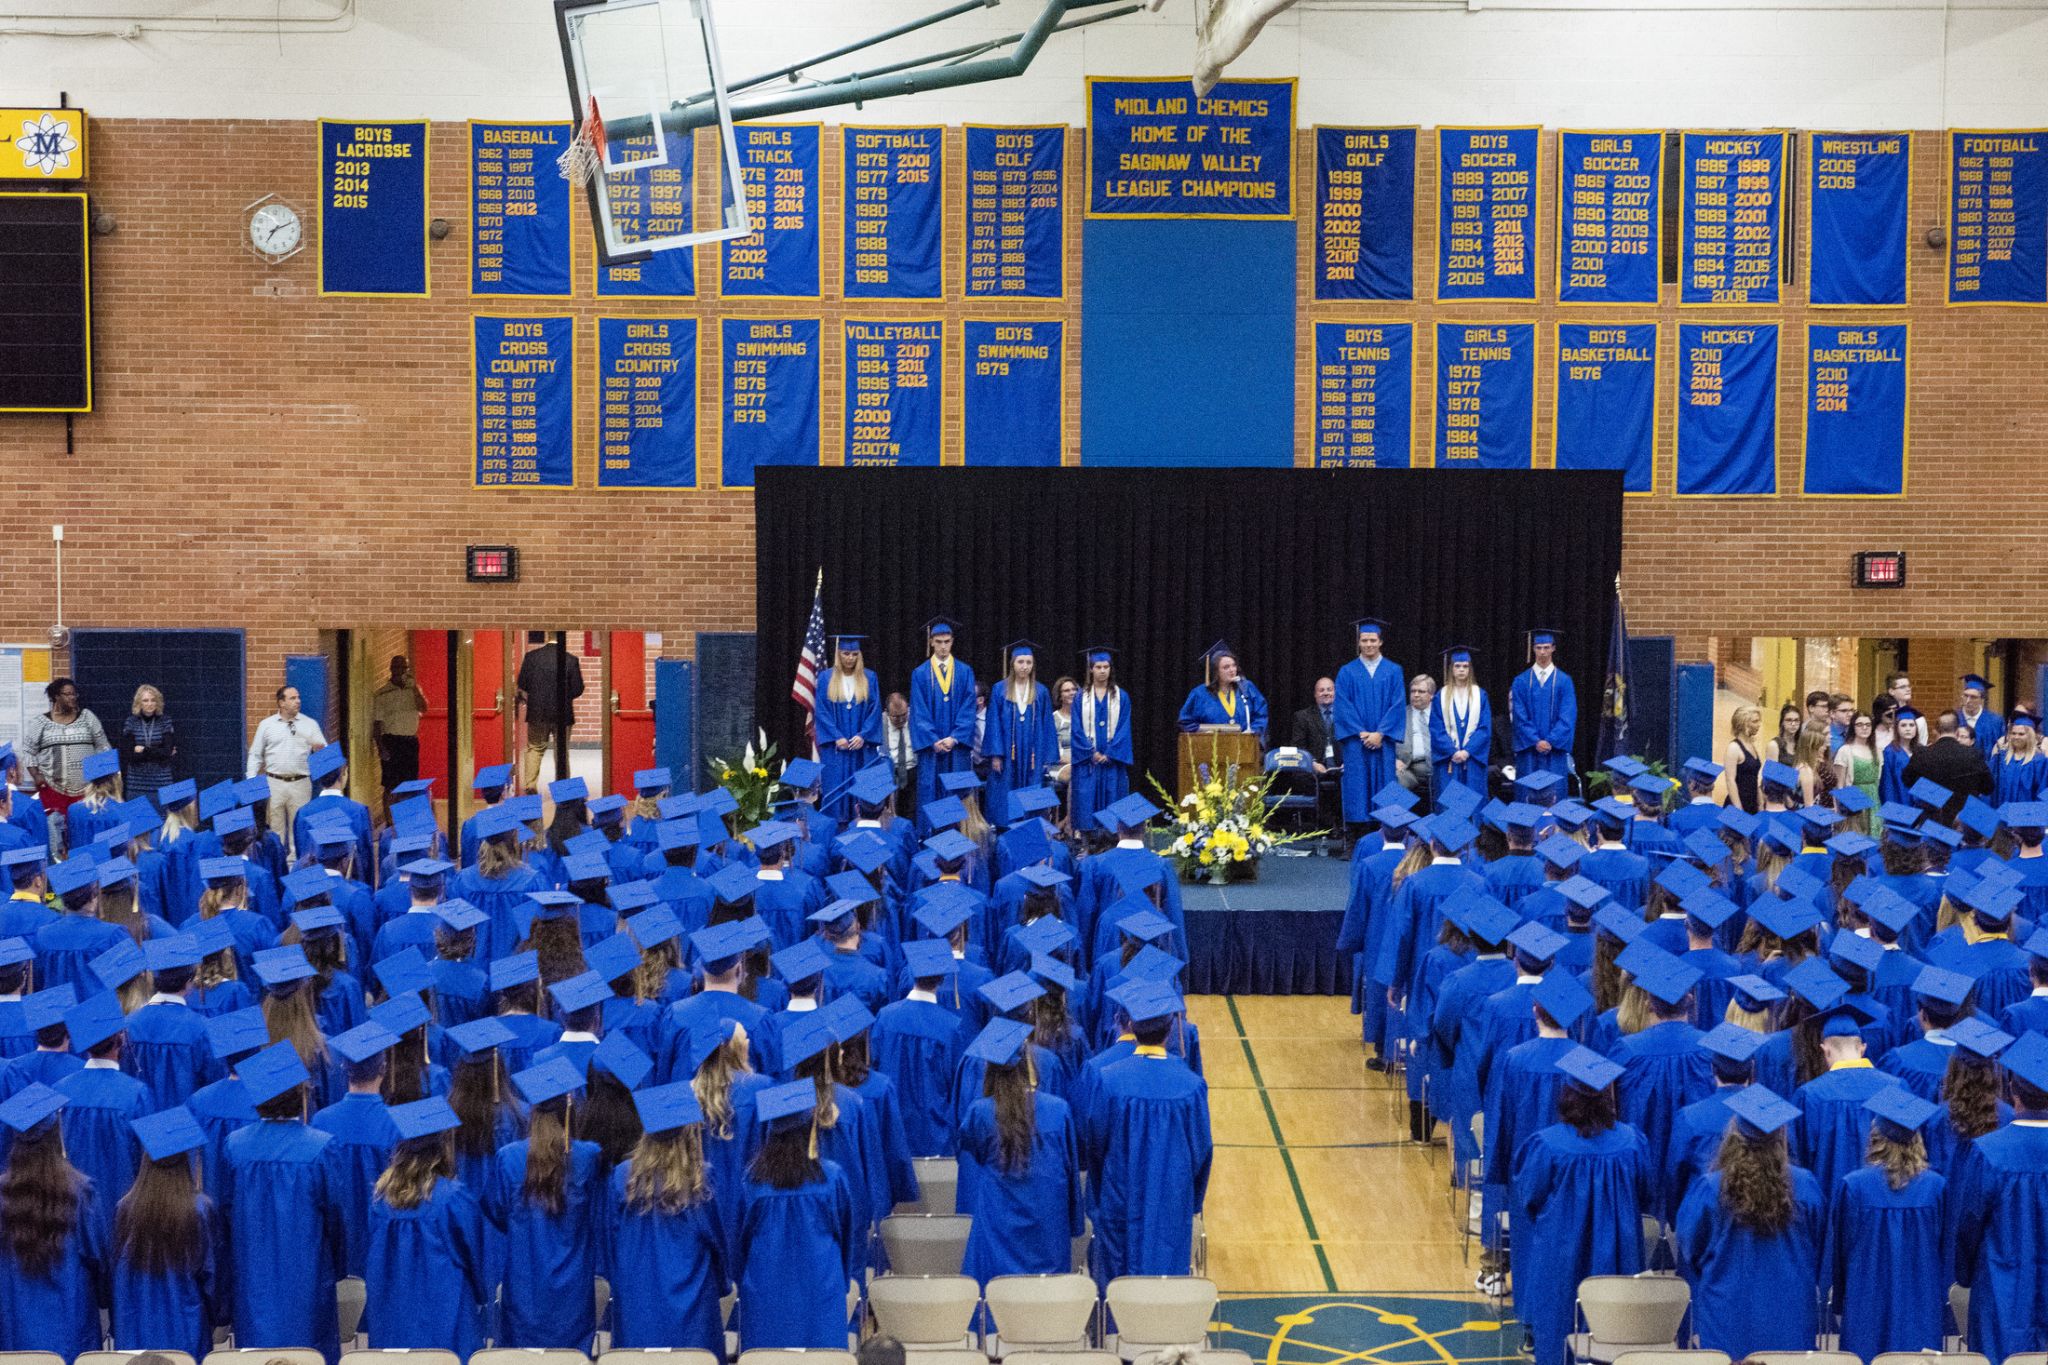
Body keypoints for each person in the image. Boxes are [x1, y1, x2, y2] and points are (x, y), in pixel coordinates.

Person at [1511, 1047, 1652, 1365]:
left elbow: (1529, 1199)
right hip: (1619, 1256)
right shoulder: (1631, 1143)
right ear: (1608, 1097)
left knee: (1559, 1335)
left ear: (1567, 1096)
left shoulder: (1546, 1144)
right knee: (1613, 1339)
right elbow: (1645, 1194)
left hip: (1560, 1258)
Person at [1673, 1084, 1825, 1358]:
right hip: (1791, 1319)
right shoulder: (1804, 1185)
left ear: (1734, 1136)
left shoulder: (1712, 1188)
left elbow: (1689, 1247)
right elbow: (1820, 1243)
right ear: (1781, 1137)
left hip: (1727, 1316)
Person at [219, 1040, 346, 1363]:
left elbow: (225, 1213)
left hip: (252, 1272)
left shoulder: (235, 1146)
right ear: (301, 1095)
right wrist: (337, 1265)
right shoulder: (320, 1147)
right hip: (307, 1271)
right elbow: (336, 1217)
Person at [1084, 980, 1212, 1279]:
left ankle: (1113, 1327)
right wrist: (1190, 1199)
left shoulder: (1109, 1080)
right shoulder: (1191, 1085)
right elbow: (1202, 1150)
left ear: (1129, 1026)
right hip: (1171, 1199)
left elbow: (1095, 1143)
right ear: (1169, 1032)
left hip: (1120, 1195)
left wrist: (1104, 1189)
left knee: (1119, 1277)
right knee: (1164, 1278)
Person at [1823, 1087, 1951, 1361]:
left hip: (1865, 1302)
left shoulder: (1853, 1187)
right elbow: (1943, 1250)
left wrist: (1843, 1299)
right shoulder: (1936, 1187)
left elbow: (1841, 1253)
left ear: (1876, 1137)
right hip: (1921, 1302)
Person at [957, 1017, 1085, 1281]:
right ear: (1028, 1065)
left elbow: (972, 1152)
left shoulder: (981, 1113)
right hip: (1047, 1229)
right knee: (1043, 1306)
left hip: (998, 1225)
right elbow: (1071, 1169)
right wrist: (1073, 1222)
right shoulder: (1058, 1111)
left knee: (998, 1301)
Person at [604, 1081, 727, 1352]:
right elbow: (717, 1240)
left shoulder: (624, 1176)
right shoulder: (699, 1177)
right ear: (688, 1131)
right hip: (692, 1296)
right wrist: (721, 1285)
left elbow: (609, 1238)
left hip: (637, 1294)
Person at [736, 1079, 859, 1349]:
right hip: (821, 1289)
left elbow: (740, 1244)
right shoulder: (831, 1177)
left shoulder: (753, 1181)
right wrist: (842, 1277)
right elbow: (848, 1236)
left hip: (765, 1291)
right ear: (809, 1128)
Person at [363, 1096, 490, 1355]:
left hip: (392, 1314)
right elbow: (474, 1255)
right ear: (443, 1146)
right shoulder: (452, 1197)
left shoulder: (380, 1199)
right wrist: (481, 1295)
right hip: (446, 1311)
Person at [492, 1057, 603, 1349]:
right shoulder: (588, 1157)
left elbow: (497, 1213)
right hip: (573, 1285)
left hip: (525, 1283)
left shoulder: (509, 1159)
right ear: (570, 1107)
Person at [1950, 1030, 2048, 1361]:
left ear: (2013, 1093)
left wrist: (1963, 1275)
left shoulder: (1989, 1152)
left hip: (2001, 1287)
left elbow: (1969, 1225)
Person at [111, 1106, 229, 1359]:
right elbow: (210, 1275)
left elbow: (118, 1277)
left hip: (135, 1324)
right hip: (185, 1325)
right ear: (185, 1160)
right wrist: (218, 1316)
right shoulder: (199, 1208)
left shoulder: (125, 1208)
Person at [0, 1084, 108, 1359]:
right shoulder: (81, 1191)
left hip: (15, 1326)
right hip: (71, 1324)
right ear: (56, 1133)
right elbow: (98, 1257)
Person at [1334, 620, 1408, 836]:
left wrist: (1380, 733)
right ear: (1358, 643)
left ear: (1380, 642)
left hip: (1382, 741)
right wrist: (1362, 733)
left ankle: (1385, 835)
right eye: (1364, 640)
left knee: (1384, 786)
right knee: (1357, 787)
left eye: (1372, 640)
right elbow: (1343, 706)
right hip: (1357, 742)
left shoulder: (1394, 671)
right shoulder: (1347, 672)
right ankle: (1356, 837)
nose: (1368, 645)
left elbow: (1397, 705)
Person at [245, 686, 328, 857]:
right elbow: (255, 754)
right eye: (292, 698)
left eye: (298, 697)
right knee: (275, 830)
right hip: (274, 783)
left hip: (300, 782)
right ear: (281, 702)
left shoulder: (309, 724)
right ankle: (277, 865)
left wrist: (320, 750)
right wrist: (251, 780)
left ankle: (297, 867)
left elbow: (324, 752)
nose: (298, 701)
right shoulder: (266, 725)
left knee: (299, 828)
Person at [23, 678, 112, 836]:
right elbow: (28, 750)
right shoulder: (40, 723)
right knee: (57, 834)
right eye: (68, 694)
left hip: (87, 790)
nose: (73, 697)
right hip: (53, 790)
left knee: (84, 833)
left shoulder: (87, 718)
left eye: (74, 694)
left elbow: (103, 745)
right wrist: (36, 775)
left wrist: (102, 776)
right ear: (56, 697)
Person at [985, 641, 1058, 825]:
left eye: (1028, 662)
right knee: (1006, 787)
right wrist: (996, 754)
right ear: (1012, 664)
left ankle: (1029, 825)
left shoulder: (1040, 691)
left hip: (1033, 753)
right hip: (1008, 752)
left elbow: (1048, 725)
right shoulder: (999, 690)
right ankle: (1005, 827)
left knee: (1031, 788)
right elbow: (993, 723)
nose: (1024, 666)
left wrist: (1047, 758)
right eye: (1020, 662)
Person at [909, 618, 976, 809]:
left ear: (952, 641)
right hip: (932, 747)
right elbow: (918, 711)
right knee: (931, 790)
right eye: (938, 642)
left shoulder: (964, 672)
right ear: (931, 642)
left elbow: (968, 707)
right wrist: (932, 740)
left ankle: (958, 835)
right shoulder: (920, 673)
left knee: (957, 791)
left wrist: (955, 737)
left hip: (956, 746)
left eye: (947, 642)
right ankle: (930, 836)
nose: (943, 647)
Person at [816, 634, 882, 823]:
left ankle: (859, 824)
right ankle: (835, 832)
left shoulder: (869, 677)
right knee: (836, 788)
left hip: (860, 749)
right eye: (846, 653)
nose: (850, 658)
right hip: (837, 749)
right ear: (838, 653)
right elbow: (822, 711)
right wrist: (836, 736)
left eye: (854, 654)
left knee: (859, 787)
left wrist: (864, 735)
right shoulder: (826, 677)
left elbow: (875, 710)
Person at [1070, 647, 1134, 835]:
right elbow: (1076, 729)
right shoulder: (1080, 697)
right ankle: (1086, 843)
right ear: (1091, 669)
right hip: (1088, 761)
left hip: (1111, 761)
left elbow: (1124, 728)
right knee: (1086, 800)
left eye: (1106, 666)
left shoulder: (1121, 696)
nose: (1102, 670)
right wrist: (1091, 753)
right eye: (1098, 667)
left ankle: (1112, 841)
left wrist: (1111, 753)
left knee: (1112, 798)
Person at [516, 633, 586, 792]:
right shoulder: (571, 659)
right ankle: (562, 789)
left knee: (535, 748)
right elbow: (577, 689)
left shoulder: (531, 657)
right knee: (561, 750)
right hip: (563, 713)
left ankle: (530, 785)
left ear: (547, 635)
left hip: (537, 712)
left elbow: (523, 684)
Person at [1510, 629, 1577, 782]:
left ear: (1553, 648)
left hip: (1554, 752)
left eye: (1546, 647)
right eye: (1538, 648)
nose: (1542, 652)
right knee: (1527, 794)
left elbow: (1568, 716)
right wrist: (1535, 741)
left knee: (1554, 793)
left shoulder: (1564, 681)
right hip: (1529, 751)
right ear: (1533, 648)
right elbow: (1519, 716)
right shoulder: (1520, 681)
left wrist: (1551, 741)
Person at [1900, 711, 1994, 818]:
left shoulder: (1921, 754)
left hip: (1932, 821)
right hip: (1963, 821)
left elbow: (1907, 780)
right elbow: (1988, 787)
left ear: (1937, 730)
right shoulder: (1973, 754)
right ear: (1957, 730)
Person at [1430, 648, 1492, 800]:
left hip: (1472, 758)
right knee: (1450, 800)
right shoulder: (1441, 695)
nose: (1461, 670)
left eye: (1465, 666)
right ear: (1451, 669)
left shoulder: (1480, 695)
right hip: (1449, 759)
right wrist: (1452, 751)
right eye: (1457, 666)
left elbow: (1484, 729)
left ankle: (1473, 825)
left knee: (1473, 799)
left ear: (1470, 669)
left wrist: (1467, 751)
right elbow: (1436, 729)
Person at [1177, 643, 1268, 743]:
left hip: (1244, 746)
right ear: (1215, 672)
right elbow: (1186, 721)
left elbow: (1261, 715)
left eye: (1234, 666)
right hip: (1212, 747)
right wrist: (1203, 732)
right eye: (1226, 667)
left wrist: (1253, 732)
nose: (1232, 670)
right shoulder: (1199, 694)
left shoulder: (1247, 688)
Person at [371, 656, 429, 802]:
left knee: (410, 784)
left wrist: (415, 689)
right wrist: (381, 748)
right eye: (397, 667)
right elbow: (377, 724)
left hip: (410, 740)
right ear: (391, 669)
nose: (400, 671)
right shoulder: (382, 693)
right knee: (390, 785)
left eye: (403, 668)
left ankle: (406, 819)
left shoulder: (414, 690)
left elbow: (424, 708)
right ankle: (390, 821)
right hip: (392, 741)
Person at [118, 685, 177, 802]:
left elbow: (166, 752)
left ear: (158, 702)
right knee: (137, 818)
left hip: (162, 781)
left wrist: (144, 750)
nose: (150, 704)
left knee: (164, 819)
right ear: (139, 703)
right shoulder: (131, 722)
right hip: (137, 783)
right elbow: (129, 755)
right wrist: (157, 751)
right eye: (145, 700)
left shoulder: (165, 721)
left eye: (153, 700)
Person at [1395, 675, 1436, 805]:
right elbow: (1386, 741)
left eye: (1421, 691)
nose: (1416, 695)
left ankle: (1455, 823)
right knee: (1395, 780)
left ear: (1431, 695)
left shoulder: (1442, 713)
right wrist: (1393, 760)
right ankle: (1397, 824)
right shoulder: (1399, 715)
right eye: (1413, 691)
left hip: (1439, 765)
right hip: (1409, 767)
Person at [1993, 710, 2047, 804]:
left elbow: (2043, 794)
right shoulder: (2000, 758)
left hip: (2027, 816)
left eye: (2021, 734)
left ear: (2030, 736)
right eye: (2013, 733)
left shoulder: (2040, 762)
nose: (2016, 737)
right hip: (2001, 813)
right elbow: (1990, 790)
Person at [1833, 712, 1881, 812]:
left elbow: (1878, 780)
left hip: (1873, 799)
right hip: (1853, 800)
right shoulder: (1845, 750)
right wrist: (1839, 810)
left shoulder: (1878, 751)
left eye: (1868, 725)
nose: (1864, 728)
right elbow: (1839, 786)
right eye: (1859, 724)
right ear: (1853, 727)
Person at [1721, 704, 1763, 814]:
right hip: (1738, 803)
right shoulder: (1734, 748)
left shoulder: (1751, 745)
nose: (1759, 725)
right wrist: (1738, 808)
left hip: (1752, 801)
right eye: (1755, 721)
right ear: (1744, 723)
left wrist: (1760, 803)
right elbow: (1730, 781)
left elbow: (1754, 777)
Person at [881, 691, 918, 814]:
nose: (901, 719)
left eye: (904, 714)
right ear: (887, 712)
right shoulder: (881, 723)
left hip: (913, 770)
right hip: (891, 772)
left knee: (912, 809)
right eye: (896, 716)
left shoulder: (916, 718)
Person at [1959, 673, 2004, 754]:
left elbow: (2001, 751)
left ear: (1982, 699)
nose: (1968, 701)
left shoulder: (1995, 722)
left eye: (1973, 697)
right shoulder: (1954, 719)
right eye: (1966, 696)